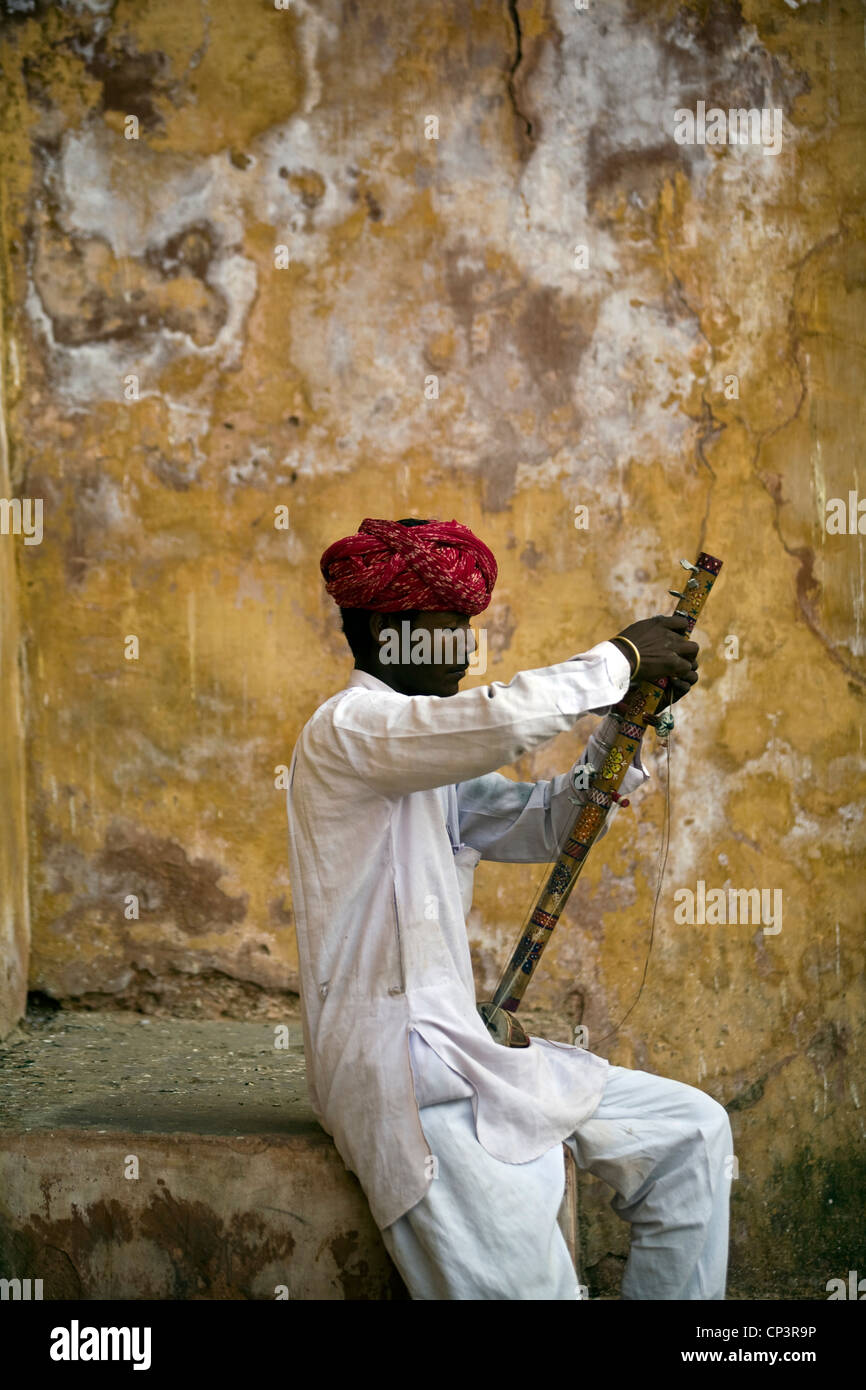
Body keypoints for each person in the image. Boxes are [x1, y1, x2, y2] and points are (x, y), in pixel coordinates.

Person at [285, 516, 733, 1300]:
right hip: (409, 1079)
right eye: (448, 629)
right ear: (391, 632)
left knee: (692, 1134)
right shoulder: (351, 731)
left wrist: (620, 731)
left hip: (468, 1053)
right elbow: (499, 719)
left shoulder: (428, 756)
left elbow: (542, 823)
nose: (463, 650)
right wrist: (620, 662)